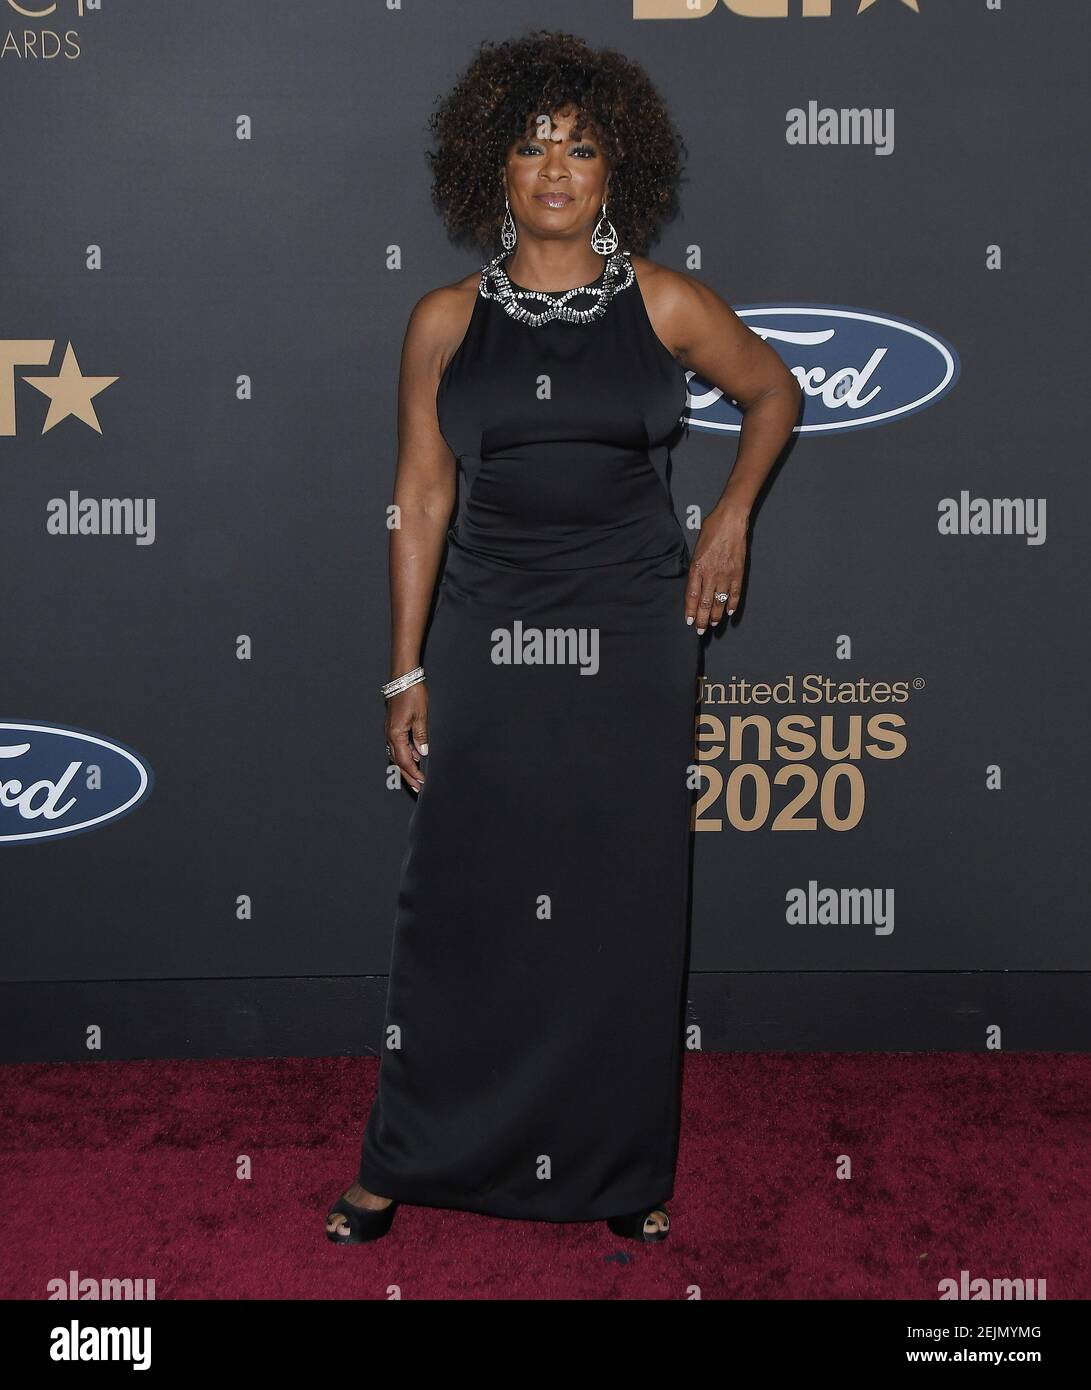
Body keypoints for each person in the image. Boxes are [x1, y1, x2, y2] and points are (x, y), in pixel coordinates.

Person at [326, 28, 800, 1246]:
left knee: (619, 900)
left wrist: (728, 520)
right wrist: (404, 667)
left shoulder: (665, 301)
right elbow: (421, 497)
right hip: (487, 629)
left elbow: (774, 391)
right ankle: (405, 1156)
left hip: (635, 629)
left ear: (613, 172)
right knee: (459, 897)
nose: (554, 168)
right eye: (532, 145)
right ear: (491, 166)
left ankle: (614, 1170)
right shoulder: (440, 321)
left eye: (580, 148)